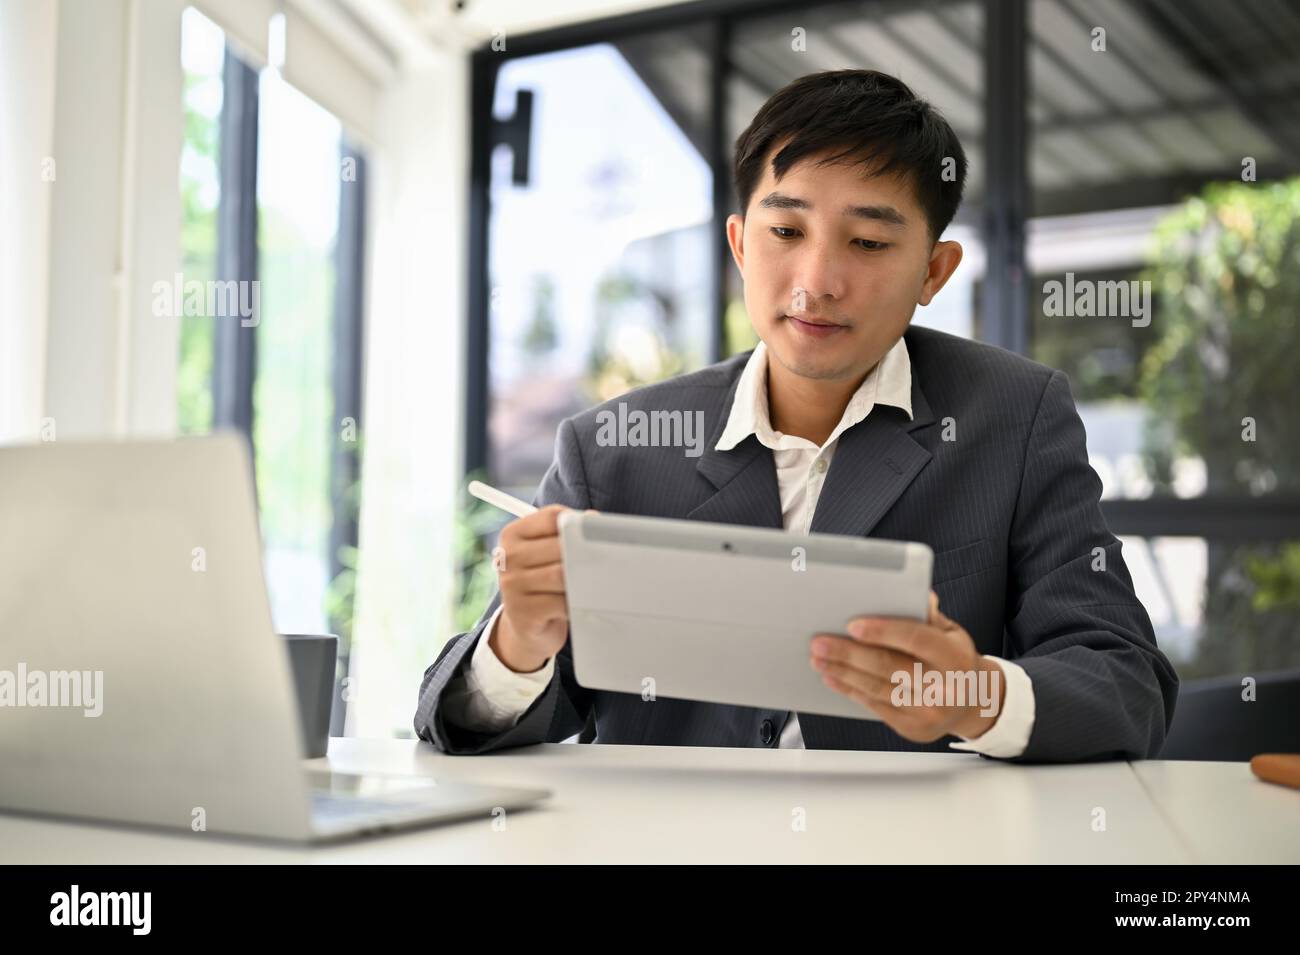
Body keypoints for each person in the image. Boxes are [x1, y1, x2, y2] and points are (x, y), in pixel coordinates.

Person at [414, 69, 1178, 762]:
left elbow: (1125, 681)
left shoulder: (1014, 418)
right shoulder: (609, 448)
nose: (816, 281)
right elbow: (467, 720)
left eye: (869, 241)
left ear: (934, 273)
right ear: (741, 246)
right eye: (786, 232)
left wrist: (978, 695)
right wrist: (519, 646)